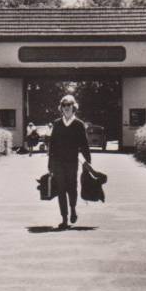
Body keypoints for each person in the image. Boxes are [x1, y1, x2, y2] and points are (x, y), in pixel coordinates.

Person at [47, 94, 92, 229]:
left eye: (69, 105)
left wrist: (88, 163)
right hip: (58, 162)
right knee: (61, 189)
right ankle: (64, 218)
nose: (66, 107)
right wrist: (50, 163)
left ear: (74, 107)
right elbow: (52, 144)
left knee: (71, 188)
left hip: (72, 161)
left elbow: (84, 144)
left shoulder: (78, 124)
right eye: (64, 105)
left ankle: (73, 208)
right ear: (61, 108)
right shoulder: (57, 123)